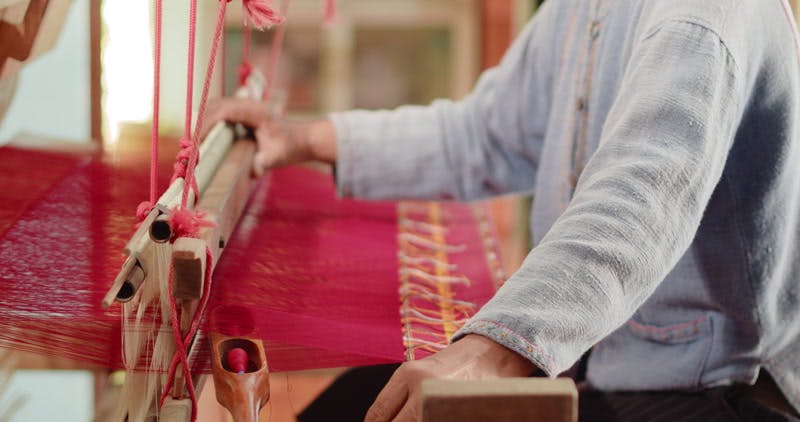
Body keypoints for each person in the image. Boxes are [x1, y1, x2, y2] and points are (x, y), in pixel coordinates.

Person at [202, 0, 800, 420]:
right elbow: (484, 134)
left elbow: (639, 200)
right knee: (361, 402)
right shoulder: (585, 8)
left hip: (710, 392)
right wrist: (301, 140)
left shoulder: (705, 13)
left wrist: (488, 355)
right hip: (615, 367)